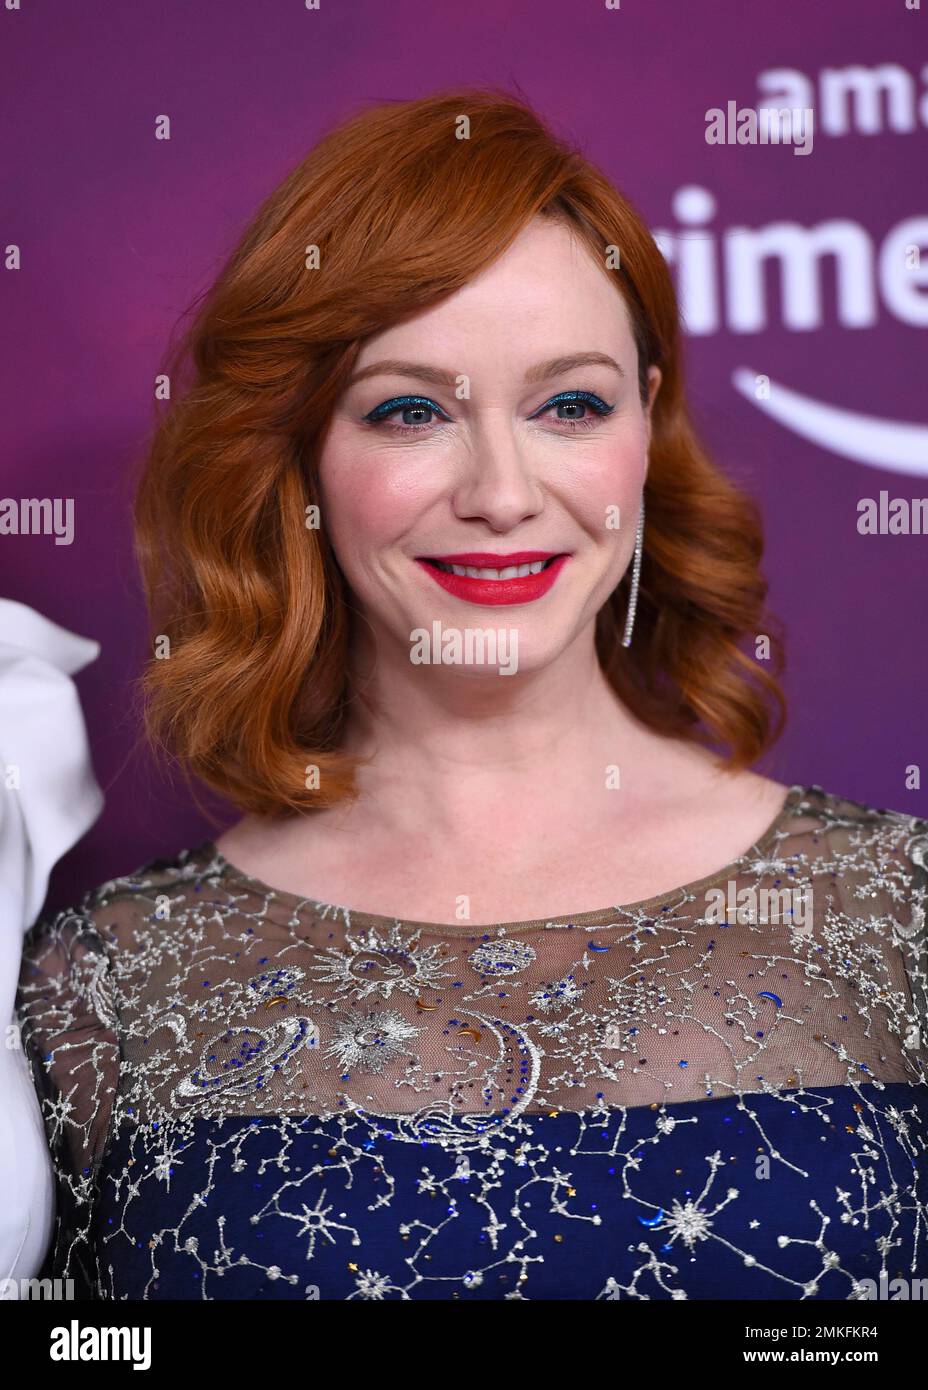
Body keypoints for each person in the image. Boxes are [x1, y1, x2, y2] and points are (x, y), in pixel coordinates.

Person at [15, 88, 928, 1301]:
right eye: (410, 410)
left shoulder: (897, 913)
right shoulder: (104, 983)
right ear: (297, 457)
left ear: (644, 431)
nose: (502, 490)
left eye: (570, 405)